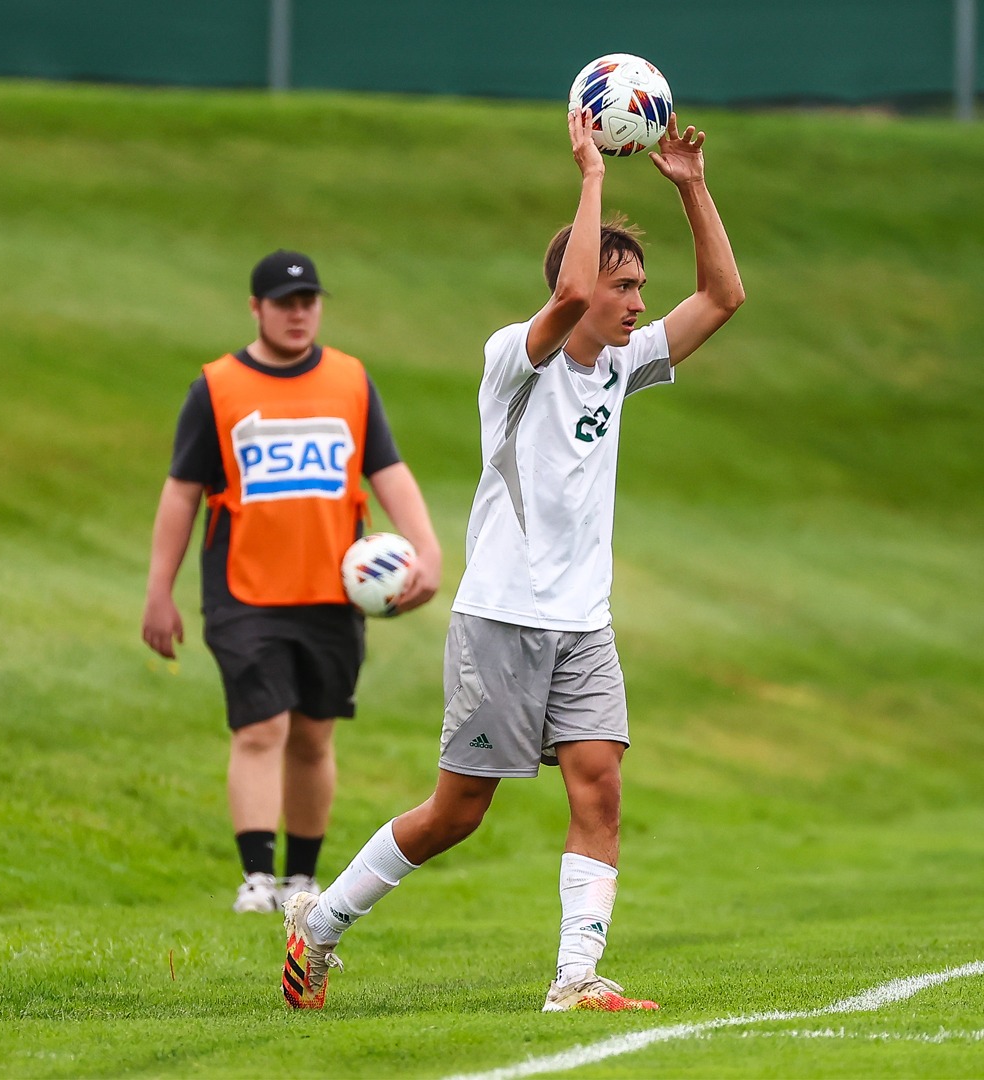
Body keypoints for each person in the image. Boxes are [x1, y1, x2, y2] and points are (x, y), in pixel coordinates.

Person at [279, 109, 745, 1012]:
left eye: (642, 285)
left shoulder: (623, 365)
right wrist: (593, 173)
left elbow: (723, 298)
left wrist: (691, 187)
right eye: (626, 285)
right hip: (500, 615)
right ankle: (322, 923)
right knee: (458, 812)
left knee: (600, 790)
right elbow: (566, 299)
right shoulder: (513, 359)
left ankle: (576, 978)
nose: (640, 302)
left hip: (584, 624)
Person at [142, 251, 443, 914]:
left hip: (333, 597)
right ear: (256, 309)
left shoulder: (350, 381)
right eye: (284, 303)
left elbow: (387, 471)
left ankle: (303, 880)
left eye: (309, 300)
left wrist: (427, 550)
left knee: (313, 733)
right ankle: (257, 878)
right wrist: (158, 592)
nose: (299, 312)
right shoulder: (217, 388)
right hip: (245, 592)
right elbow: (180, 494)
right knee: (261, 728)